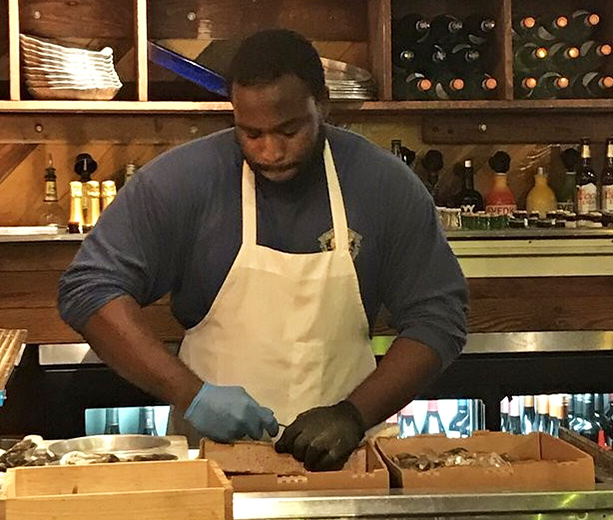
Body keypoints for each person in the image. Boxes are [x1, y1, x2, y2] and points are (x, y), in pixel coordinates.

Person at [58, 29, 467, 471]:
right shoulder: (184, 181)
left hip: (346, 465)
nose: (271, 152)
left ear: (322, 105)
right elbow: (89, 289)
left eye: (289, 130)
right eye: (251, 133)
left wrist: (354, 414)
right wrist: (190, 395)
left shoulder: (382, 184)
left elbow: (439, 316)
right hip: (213, 464)